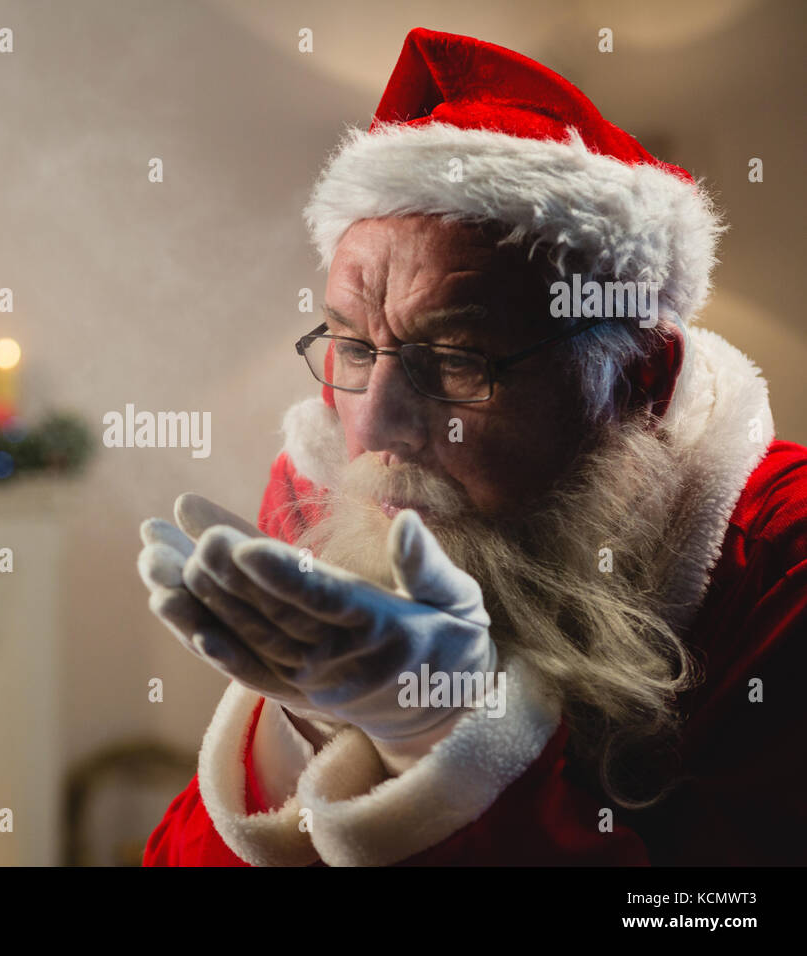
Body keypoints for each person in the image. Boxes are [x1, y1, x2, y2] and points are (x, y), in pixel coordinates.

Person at [137, 27, 807, 866]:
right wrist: (298, 733)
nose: (376, 428)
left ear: (637, 376)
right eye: (352, 346)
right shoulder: (321, 499)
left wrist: (444, 749)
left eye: (455, 360)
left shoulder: (785, 559)